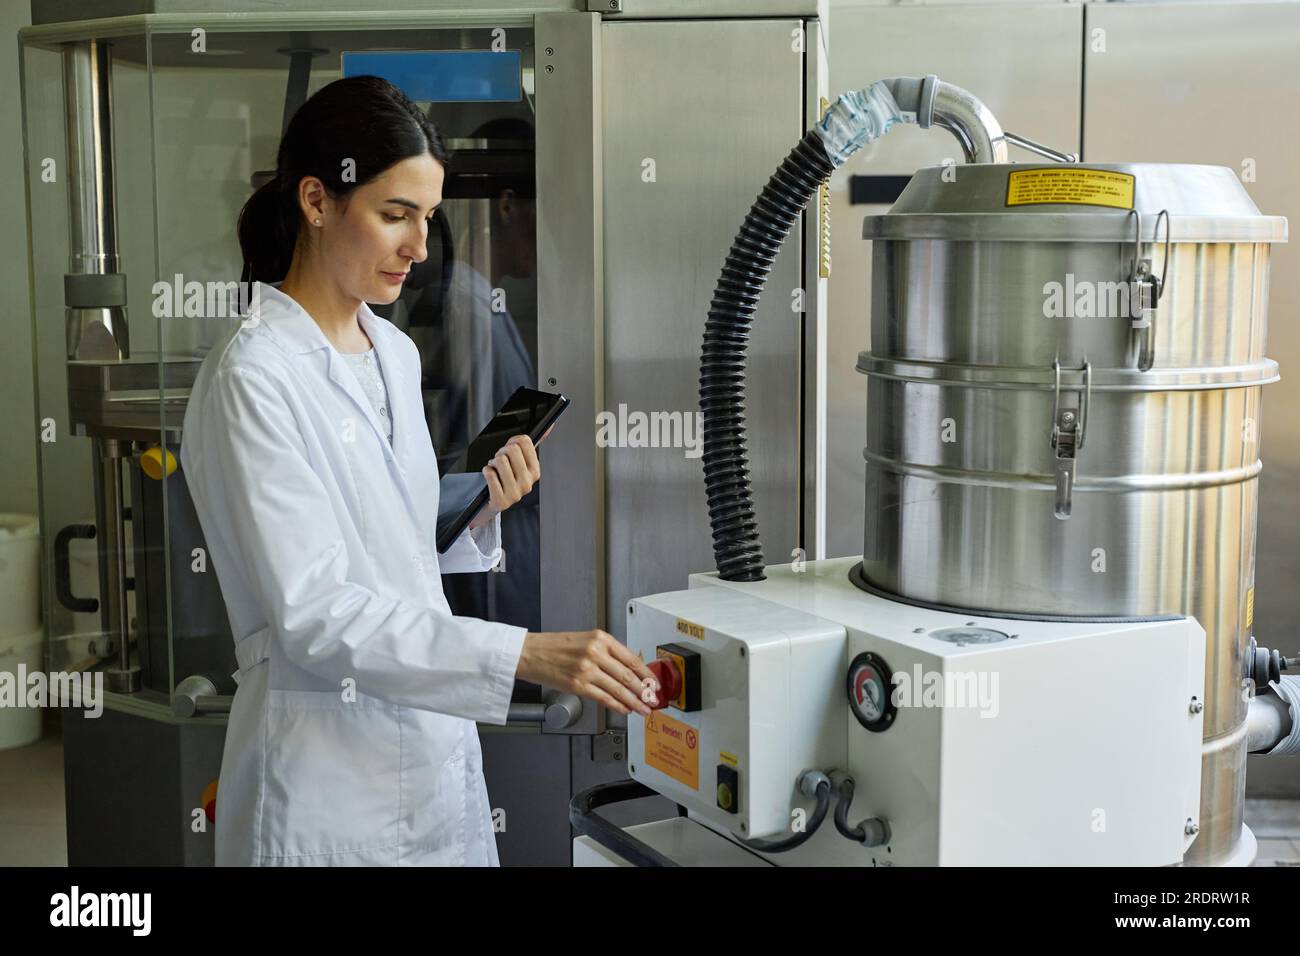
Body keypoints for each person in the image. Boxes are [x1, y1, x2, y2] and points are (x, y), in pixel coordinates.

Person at [180, 76, 656, 866]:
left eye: (428, 218)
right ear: (316, 199)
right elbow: (316, 613)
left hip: (434, 770)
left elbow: (390, 552)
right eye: (395, 214)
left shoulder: (392, 352)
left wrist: (471, 511)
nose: (420, 248)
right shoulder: (253, 376)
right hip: (323, 783)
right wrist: (522, 654)